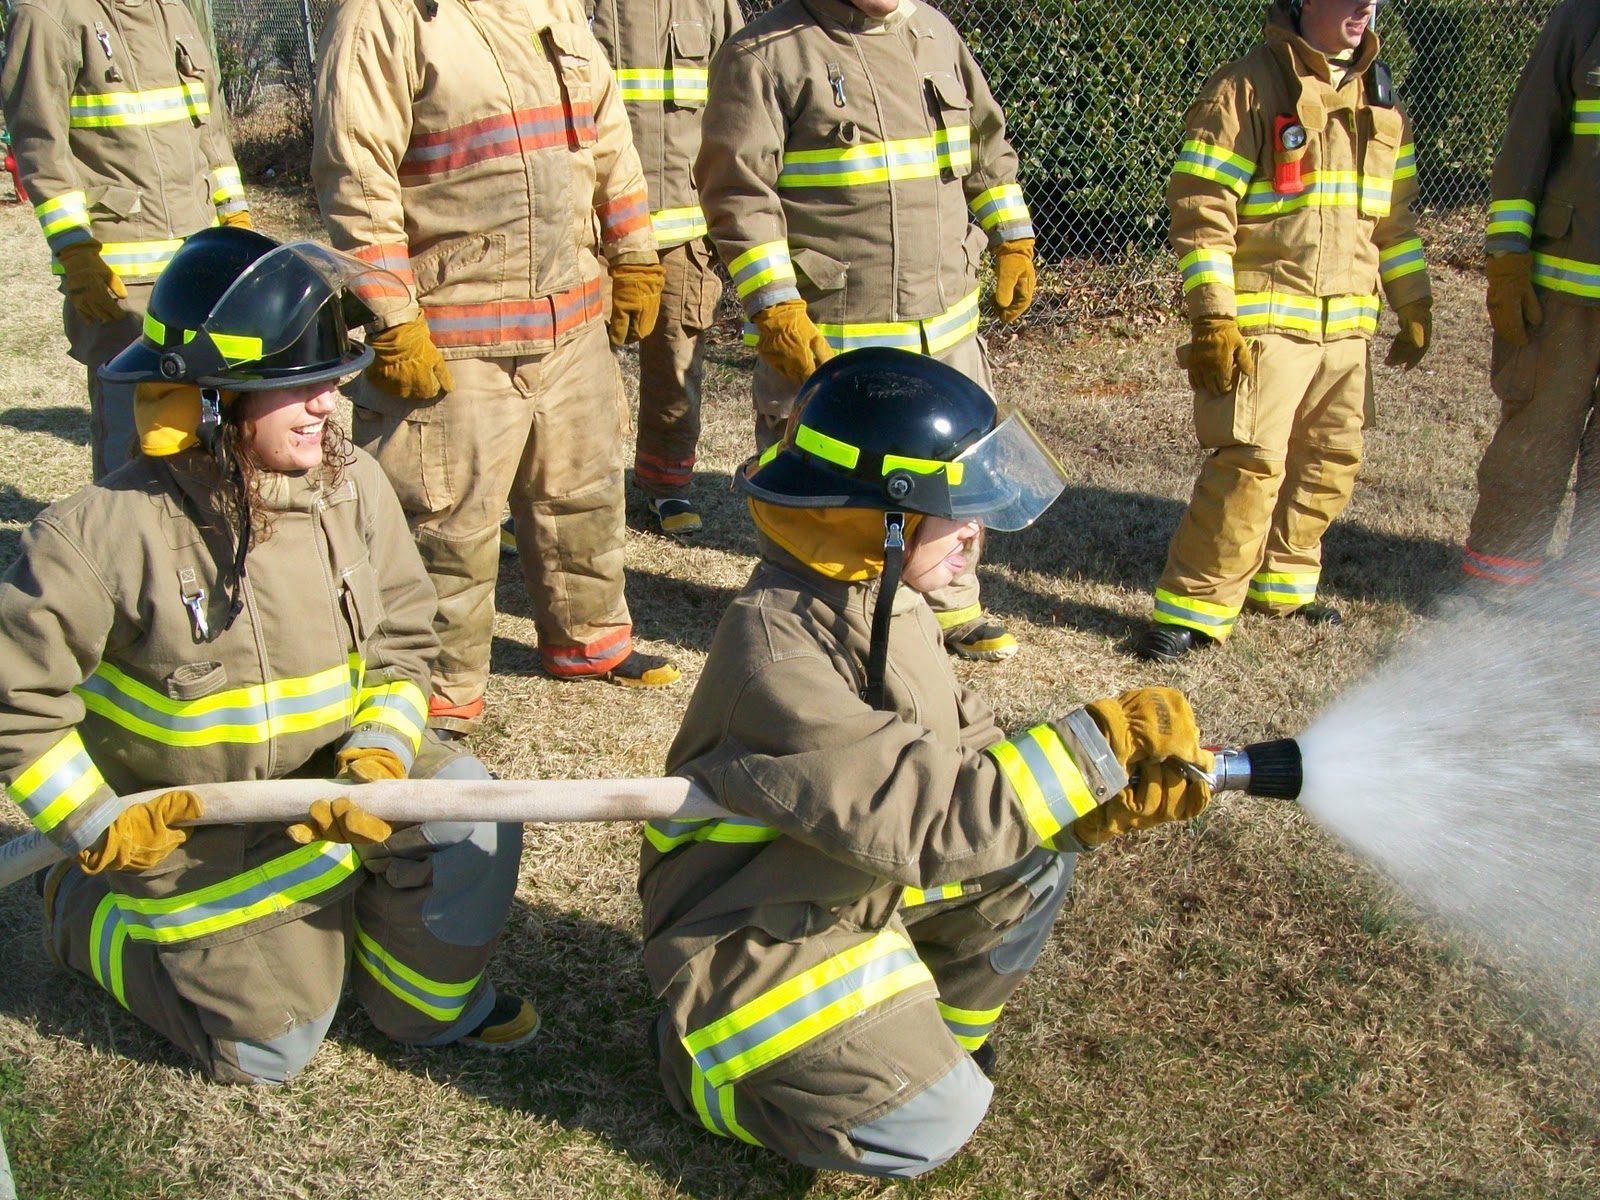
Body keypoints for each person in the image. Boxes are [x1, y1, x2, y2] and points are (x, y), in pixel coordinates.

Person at [639, 348, 1213, 1177]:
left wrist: (1092, 803)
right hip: (754, 927)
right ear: (882, 517)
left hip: (838, 876)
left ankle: (933, 1041)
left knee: (1036, 851)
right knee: (932, 1126)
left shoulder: (884, 598)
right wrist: (1096, 748)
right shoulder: (776, 655)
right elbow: (933, 822)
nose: (975, 529)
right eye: (956, 509)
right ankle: (701, 1077)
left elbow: (967, 759)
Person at [1, 228, 534, 1084]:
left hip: (330, 784)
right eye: (297, 385)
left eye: (330, 378)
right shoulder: (97, 538)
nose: (329, 404)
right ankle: (79, 906)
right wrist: (95, 824)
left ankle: (420, 1009)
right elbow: (15, 704)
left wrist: (380, 750)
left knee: (473, 814)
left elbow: (402, 638)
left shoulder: (353, 486)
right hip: (186, 831)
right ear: (208, 400)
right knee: (268, 1050)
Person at [312, 0, 679, 740]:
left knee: (582, 494)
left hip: (572, 322)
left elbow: (608, 137)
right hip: (452, 335)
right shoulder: (386, 17)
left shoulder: (552, 5)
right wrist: (390, 315)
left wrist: (635, 251)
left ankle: (589, 640)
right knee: (443, 525)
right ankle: (433, 688)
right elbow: (357, 177)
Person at [695, 0, 1038, 661]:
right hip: (836, 340)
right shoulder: (765, 55)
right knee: (827, 494)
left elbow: (986, 148)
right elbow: (738, 194)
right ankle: (816, 616)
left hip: (944, 332)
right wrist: (775, 307)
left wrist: (1012, 235)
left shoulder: (934, 33)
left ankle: (950, 605)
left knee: (955, 472)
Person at [1134, 0, 1432, 661]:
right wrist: (1214, 316)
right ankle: (1194, 608)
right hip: (1268, 322)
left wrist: (1413, 300)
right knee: (1250, 466)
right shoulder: (1245, 88)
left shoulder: (1381, 99)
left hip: (1347, 331)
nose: (1365, 6)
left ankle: (1284, 585)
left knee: (1329, 462)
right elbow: (1203, 210)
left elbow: (1396, 220)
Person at [0, 0, 253, 481]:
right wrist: (76, 252)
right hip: (120, 286)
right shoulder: (48, 15)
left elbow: (210, 130)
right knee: (133, 449)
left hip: (202, 273)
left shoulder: (172, 10)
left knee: (212, 437)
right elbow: (40, 147)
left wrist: (234, 217)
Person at [1460, 0, 1600, 598]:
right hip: (1565, 285)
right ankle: (1501, 578)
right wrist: (1508, 255)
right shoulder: (1582, 20)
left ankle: (1589, 589)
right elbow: (1527, 139)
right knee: (1537, 434)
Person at [590, 0, 746, 537]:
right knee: (577, 364)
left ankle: (667, 484)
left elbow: (742, 95)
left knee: (677, 359)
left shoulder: (712, 5)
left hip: (682, 224)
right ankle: (570, 492)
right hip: (593, 222)